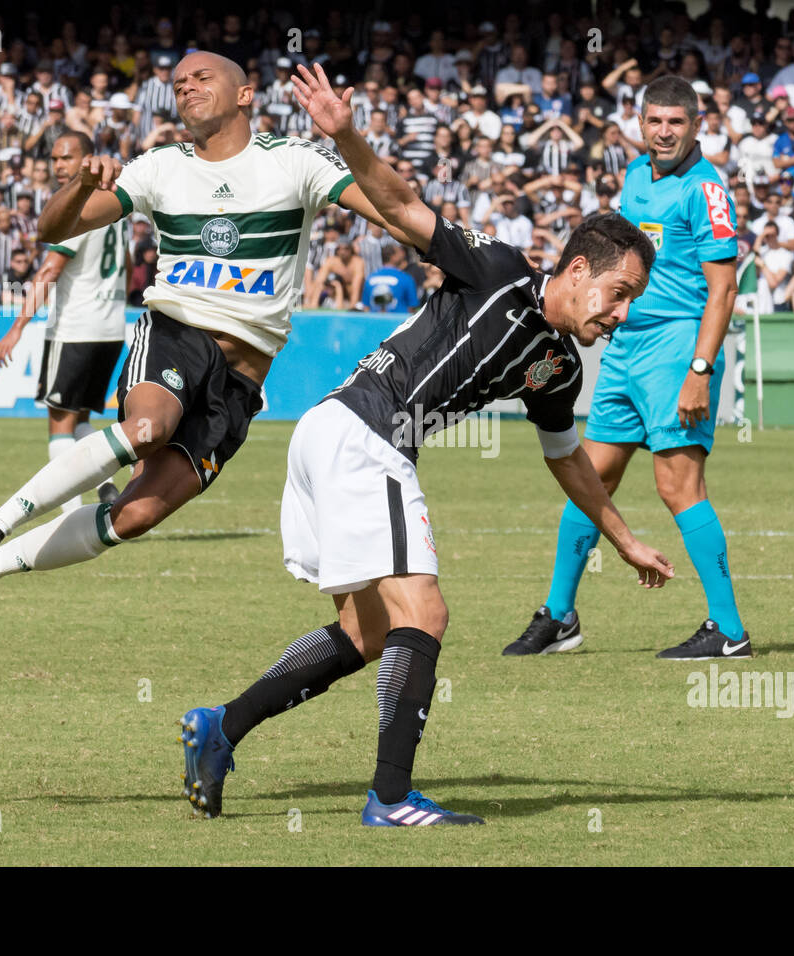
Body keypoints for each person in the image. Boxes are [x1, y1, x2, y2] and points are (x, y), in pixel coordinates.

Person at [176, 62, 670, 826]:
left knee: (367, 631)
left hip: (337, 435)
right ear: (577, 271)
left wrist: (627, 540)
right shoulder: (499, 271)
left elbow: (568, 457)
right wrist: (344, 134)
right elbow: (405, 207)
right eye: (619, 294)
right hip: (364, 432)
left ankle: (221, 727)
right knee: (425, 614)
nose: (622, 314)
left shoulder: (558, 365)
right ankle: (393, 798)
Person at [0, 51, 407, 609]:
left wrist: (348, 136)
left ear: (244, 94)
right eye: (177, 83)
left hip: (241, 378)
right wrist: (78, 183)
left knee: (136, 515)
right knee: (147, 428)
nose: (186, 87)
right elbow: (52, 228)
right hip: (177, 331)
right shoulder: (160, 166)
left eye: (201, 78)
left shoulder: (296, 161)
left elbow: (397, 210)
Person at [509, 75, 747, 660]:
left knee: (677, 485)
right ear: (640, 123)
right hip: (625, 348)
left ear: (697, 126)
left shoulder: (707, 189)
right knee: (591, 476)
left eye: (676, 122)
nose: (664, 131)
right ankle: (560, 616)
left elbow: (723, 288)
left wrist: (700, 367)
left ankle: (728, 631)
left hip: (675, 348)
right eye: (655, 121)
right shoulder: (635, 177)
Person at [0, 131, 130, 516]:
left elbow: (50, 268)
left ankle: (70, 517)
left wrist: (17, 326)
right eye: (54, 159)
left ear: (87, 161)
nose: (58, 166)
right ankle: (107, 485)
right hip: (110, 328)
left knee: (59, 422)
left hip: (76, 328)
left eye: (67, 158)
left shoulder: (79, 208)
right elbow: (125, 267)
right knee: (80, 417)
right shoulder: (116, 206)